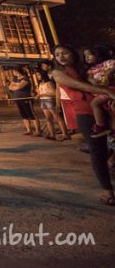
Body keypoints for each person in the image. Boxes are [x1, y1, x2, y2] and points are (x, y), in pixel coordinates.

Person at [50, 44, 115, 205]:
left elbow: (103, 77)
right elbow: (79, 86)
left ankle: (112, 161)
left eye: (64, 53)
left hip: (106, 108)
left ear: (73, 53)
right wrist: (106, 91)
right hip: (85, 113)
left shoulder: (86, 68)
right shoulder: (58, 73)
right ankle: (108, 191)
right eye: (57, 55)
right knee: (97, 151)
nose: (61, 57)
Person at [83, 44, 115, 138]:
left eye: (89, 54)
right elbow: (89, 78)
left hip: (111, 89)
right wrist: (91, 80)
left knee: (94, 103)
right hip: (102, 92)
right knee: (111, 112)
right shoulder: (91, 69)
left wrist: (111, 72)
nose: (87, 57)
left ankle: (100, 125)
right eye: (85, 55)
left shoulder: (109, 63)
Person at [36, 60, 69, 140]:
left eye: (38, 75)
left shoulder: (50, 81)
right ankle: (52, 134)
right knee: (48, 118)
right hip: (43, 100)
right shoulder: (41, 84)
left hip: (50, 100)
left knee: (57, 117)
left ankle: (65, 133)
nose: (37, 77)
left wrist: (43, 94)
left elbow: (54, 92)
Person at [8, 67, 41, 136]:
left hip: (26, 98)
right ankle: (29, 130)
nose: (13, 73)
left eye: (14, 71)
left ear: (18, 71)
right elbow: (10, 87)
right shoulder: (15, 78)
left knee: (31, 114)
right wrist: (16, 86)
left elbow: (20, 87)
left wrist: (16, 86)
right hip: (18, 99)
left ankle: (38, 131)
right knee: (24, 115)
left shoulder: (25, 78)